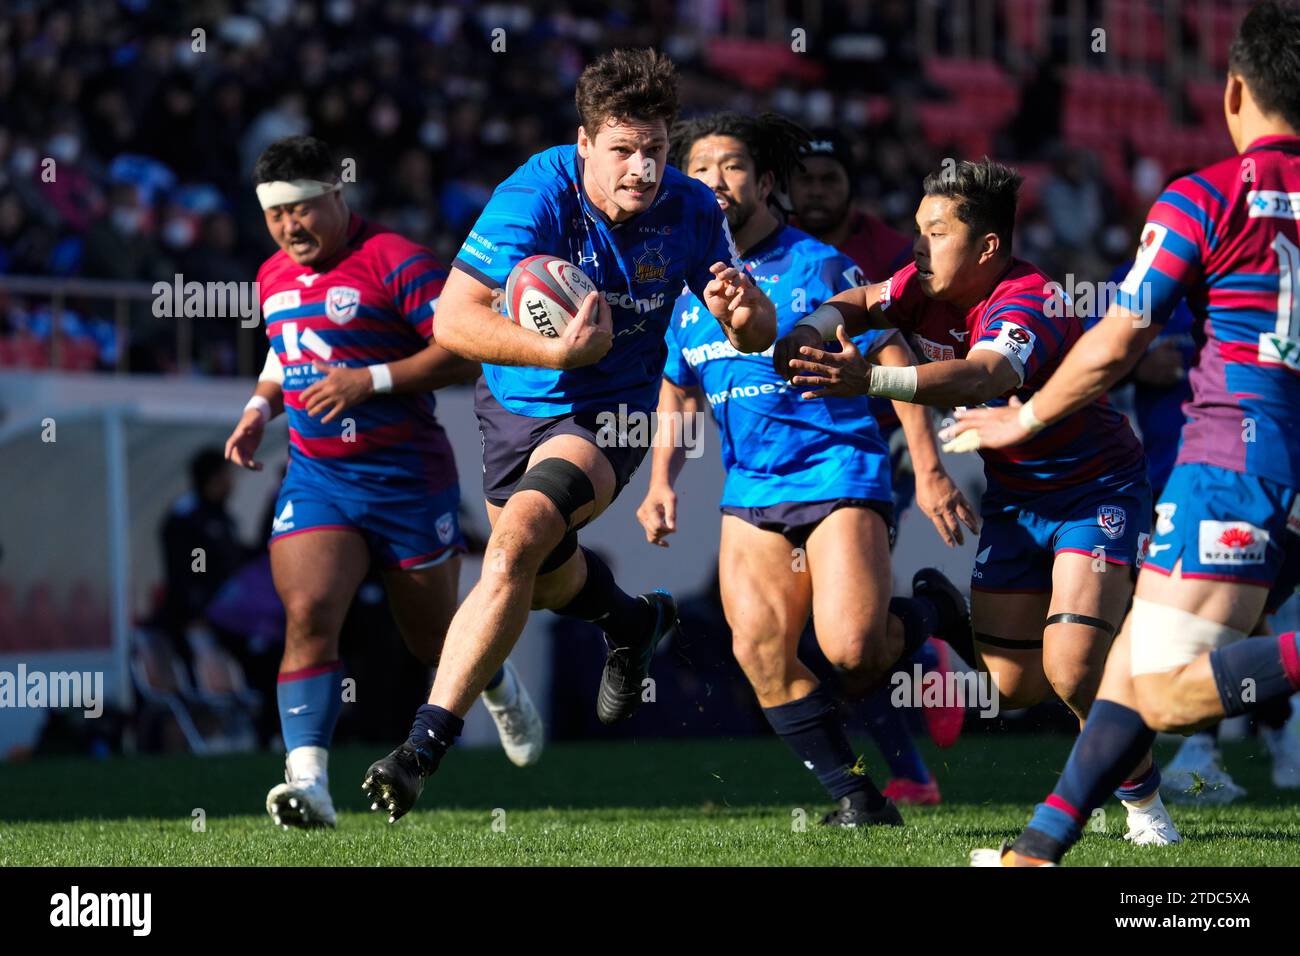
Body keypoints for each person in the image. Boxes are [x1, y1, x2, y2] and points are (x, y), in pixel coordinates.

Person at [359, 48, 779, 823]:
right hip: (515, 401)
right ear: (584, 145)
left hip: (611, 412)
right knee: (545, 578)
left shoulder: (691, 209)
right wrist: (555, 350)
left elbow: (755, 329)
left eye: (654, 150)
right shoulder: (536, 190)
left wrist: (745, 311)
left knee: (514, 543)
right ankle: (631, 619)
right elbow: (454, 320)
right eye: (623, 150)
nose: (642, 169)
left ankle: (419, 749)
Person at [941, 0, 1300, 866]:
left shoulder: (1207, 198)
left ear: (1235, 90)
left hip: (1237, 460)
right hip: (1264, 465)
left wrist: (1023, 416)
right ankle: (1041, 846)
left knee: (1167, 696)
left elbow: (1116, 339)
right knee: (1129, 666)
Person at [774, 157, 1179, 846]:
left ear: (987, 246)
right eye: (917, 230)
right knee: (1016, 687)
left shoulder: (1032, 297)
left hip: (1096, 489)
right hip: (1016, 498)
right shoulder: (922, 284)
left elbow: (983, 374)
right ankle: (946, 613)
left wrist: (868, 378)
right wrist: (806, 337)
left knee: (1073, 666)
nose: (919, 245)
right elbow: (858, 299)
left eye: (936, 231)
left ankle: (1145, 806)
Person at [637, 111, 976, 825]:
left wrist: (931, 466)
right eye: (698, 169)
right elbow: (676, 387)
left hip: (838, 470)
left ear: (764, 182)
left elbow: (892, 357)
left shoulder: (820, 264)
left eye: (730, 166)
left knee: (851, 652)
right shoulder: (683, 281)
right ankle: (858, 798)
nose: (714, 181)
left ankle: (931, 616)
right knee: (760, 654)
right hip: (750, 489)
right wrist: (660, 480)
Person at [224, 135, 543, 830]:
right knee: (308, 613)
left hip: (407, 479)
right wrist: (257, 407)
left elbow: (464, 355)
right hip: (319, 478)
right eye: (278, 216)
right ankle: (308, 782)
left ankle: (492, 676)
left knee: (433, 642)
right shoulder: (272, 274)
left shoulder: (395, 261)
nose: (291, 227)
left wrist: (368, 381)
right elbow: (288, 351)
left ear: (338, 195)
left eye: (304, 209)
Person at [790, 129, 968, 804]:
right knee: (825, 634)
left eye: (828, 178)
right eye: (804, 178)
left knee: (846, 630)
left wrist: (924, 460)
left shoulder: (894, 253)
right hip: (797, 456)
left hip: (875, 447)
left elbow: (924, 343)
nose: (815, 190)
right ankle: (927, 638)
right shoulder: (772, 253)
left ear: (851, 188)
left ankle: (921, 642)